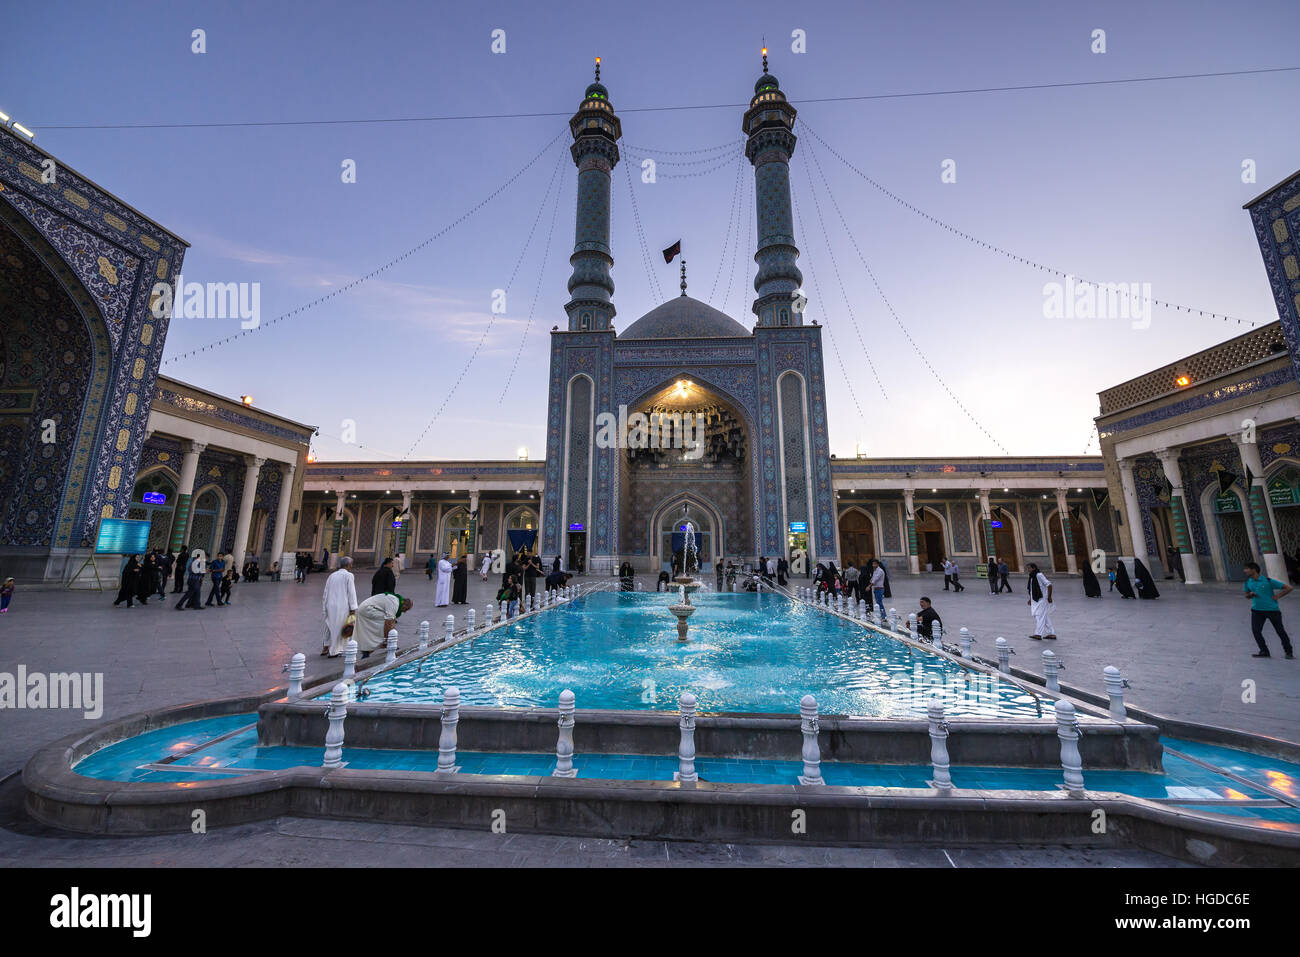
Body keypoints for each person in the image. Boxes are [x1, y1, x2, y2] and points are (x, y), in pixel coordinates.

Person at [1242, 561, 1295, 658]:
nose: (1244, 571)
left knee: (1280, 631)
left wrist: (1278, 596)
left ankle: (1289, 652)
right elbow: (1246, 595)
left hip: (1272, 610)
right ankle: (1264, 651)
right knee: (1256, 631)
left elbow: (1288, 588)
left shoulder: (1267, 580)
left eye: (1246, 569)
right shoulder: (1248, 582)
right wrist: (1250, 595)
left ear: (1253, 570)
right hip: (1256, 610)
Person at [352, 592, 412, 658]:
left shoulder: (395, 600)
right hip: (367, 609)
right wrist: (386, 640)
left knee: (389, 623)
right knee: (386, 623)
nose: (405, 612)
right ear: (404, 605)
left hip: (364, 607)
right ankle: (372, 649)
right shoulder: (394, 603)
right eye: (406, 609)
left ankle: (369, 650)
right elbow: (388, 623)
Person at [321, 556, 359, 657]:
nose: (351, 566)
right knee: (339, 627)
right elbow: (351, 592)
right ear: (348, 565)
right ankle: (334, 651)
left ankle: (325, 646)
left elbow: (325, 592)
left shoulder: (332, 575)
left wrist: (324, 606)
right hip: (341, 605)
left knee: (329, 626)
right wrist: (353, 608)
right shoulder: (349, 575)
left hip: (330, 604)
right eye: (351, 564)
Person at [1026, 562, 1056, 640]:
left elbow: (1049, 585)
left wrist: (1049, 597)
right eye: (1027, 568)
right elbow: (1032, 589)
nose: (1028, 570)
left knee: (1039, 616)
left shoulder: (1039, 575)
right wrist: (1030, 599)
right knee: (1043, 616)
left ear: (1034, 568)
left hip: (1042, 599)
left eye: (1029, 568)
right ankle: (1051, 633)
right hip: (1035, 599)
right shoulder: (1032, 576)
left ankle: (1038, 634)